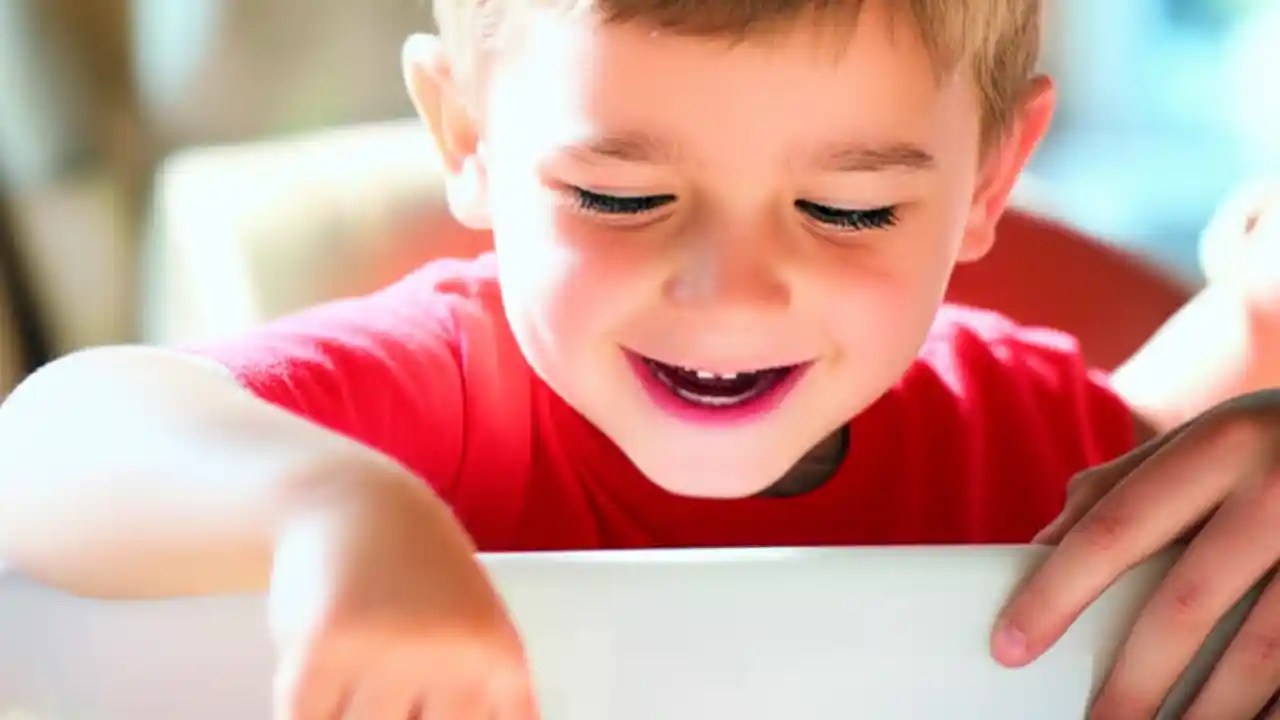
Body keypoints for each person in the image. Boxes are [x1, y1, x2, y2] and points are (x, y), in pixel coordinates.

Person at [1, 1, 1278, 718]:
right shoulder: (444, 392)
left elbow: (1193, 472)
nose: (728, 292)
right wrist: (334, 509)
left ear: (990, 179)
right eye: (619, 198)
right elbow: (49, 440)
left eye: (847, 212)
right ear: (466, 139)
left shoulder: (1015, 426)